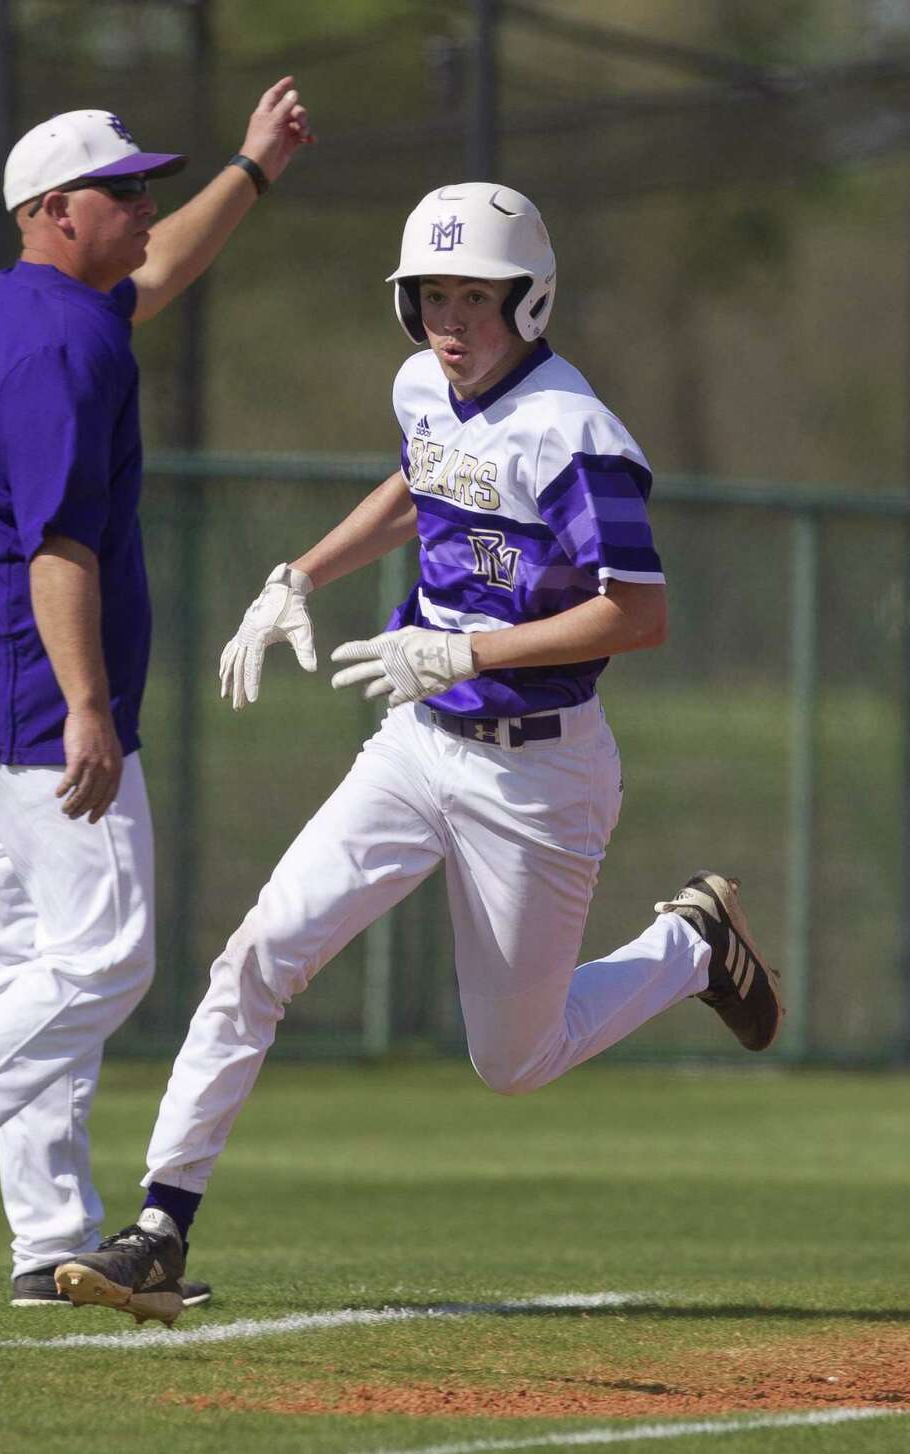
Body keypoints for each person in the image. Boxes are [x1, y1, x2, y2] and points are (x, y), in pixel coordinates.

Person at [49, 183, 784, 1328]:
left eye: (476, 297)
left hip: (539, 770)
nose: (451, 318)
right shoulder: (422, 384)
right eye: (432, 294)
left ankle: (689, 944)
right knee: (257, 956)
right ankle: (158, 1229)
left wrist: (468, 650)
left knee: (515, 1057)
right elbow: (422, 480)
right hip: (417, 738)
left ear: (530, 301)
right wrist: (298, 572)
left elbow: (639, 613)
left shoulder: (577, 436)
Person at [0, 80, 313, 1310]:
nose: (144, 206)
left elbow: (154, 275)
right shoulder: (67, 341)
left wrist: (249, 170)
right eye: (122, 191)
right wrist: (88, 704)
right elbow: (57, 549)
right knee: (107, 962)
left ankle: (49, 1238)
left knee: (32, 964)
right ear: (51, 210)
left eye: (146, 188)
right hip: (36, 699)